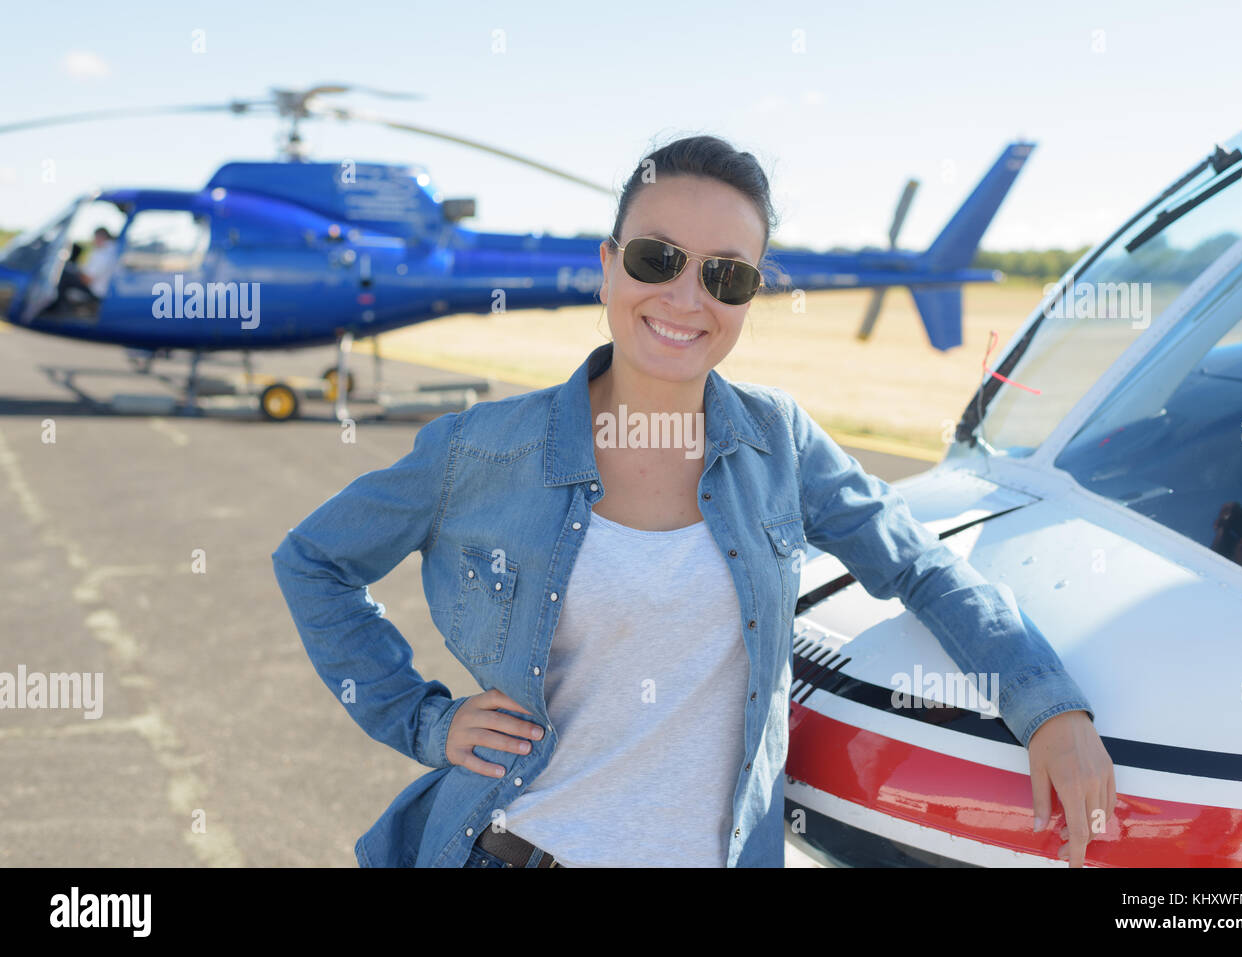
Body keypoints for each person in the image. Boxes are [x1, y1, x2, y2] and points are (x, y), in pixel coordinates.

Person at [272, 134, 1115, 869]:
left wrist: (1046, 704)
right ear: (609, 269)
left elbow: (921, 567)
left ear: (749, 296)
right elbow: (314, 559)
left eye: (726, 274)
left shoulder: (778, 441)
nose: (685, 297)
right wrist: (421, 718)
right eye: (656, 258)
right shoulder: (483, 448)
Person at [81, 227, 118, 299]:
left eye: (94, 238)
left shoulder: (103, 254)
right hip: (104, 289)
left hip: (97, 292)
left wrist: (78, 273)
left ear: (100, 238)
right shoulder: (113, 250)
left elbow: (87, 280)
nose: (93, 241)